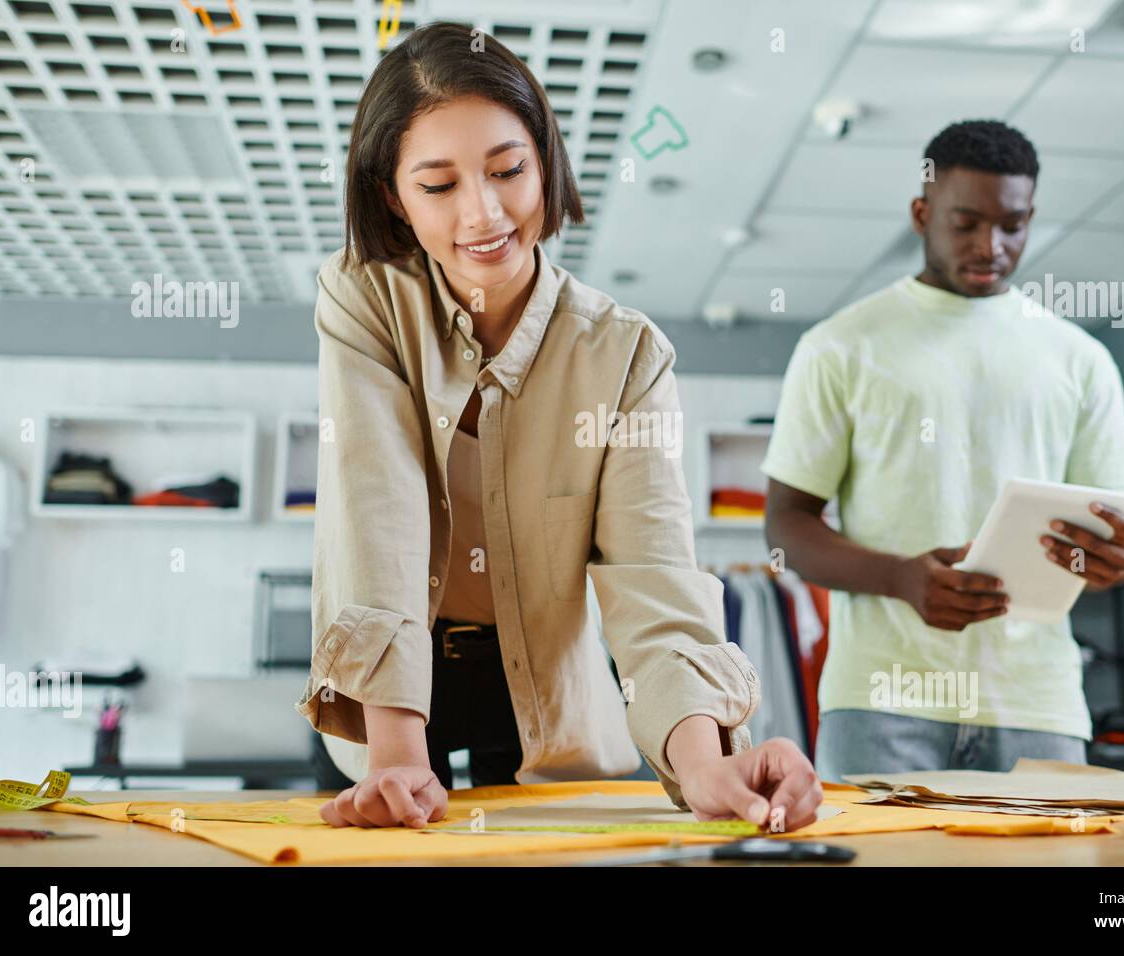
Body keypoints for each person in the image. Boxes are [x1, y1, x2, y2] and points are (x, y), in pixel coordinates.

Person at [296, 22, 821, 831]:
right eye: (438, 186)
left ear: (546, 160)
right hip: (388, 697)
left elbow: (652, 575)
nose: (486, 212)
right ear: (393, 198)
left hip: (542, 692)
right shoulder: (366, 298)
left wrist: (708, 762)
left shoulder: (627, 355)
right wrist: (398, 756)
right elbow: (379, 508)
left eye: (509, 169)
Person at [762, 119, 1124, 779]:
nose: (990, 246)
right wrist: (901, 579)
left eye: (1012, 225)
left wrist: (1111, 560)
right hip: (881, 701)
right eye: (965, 223)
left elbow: (1117, 536)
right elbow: (785, 529)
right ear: (922, 213)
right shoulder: (840, 345)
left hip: (1038, 705)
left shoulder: (1082, 360)